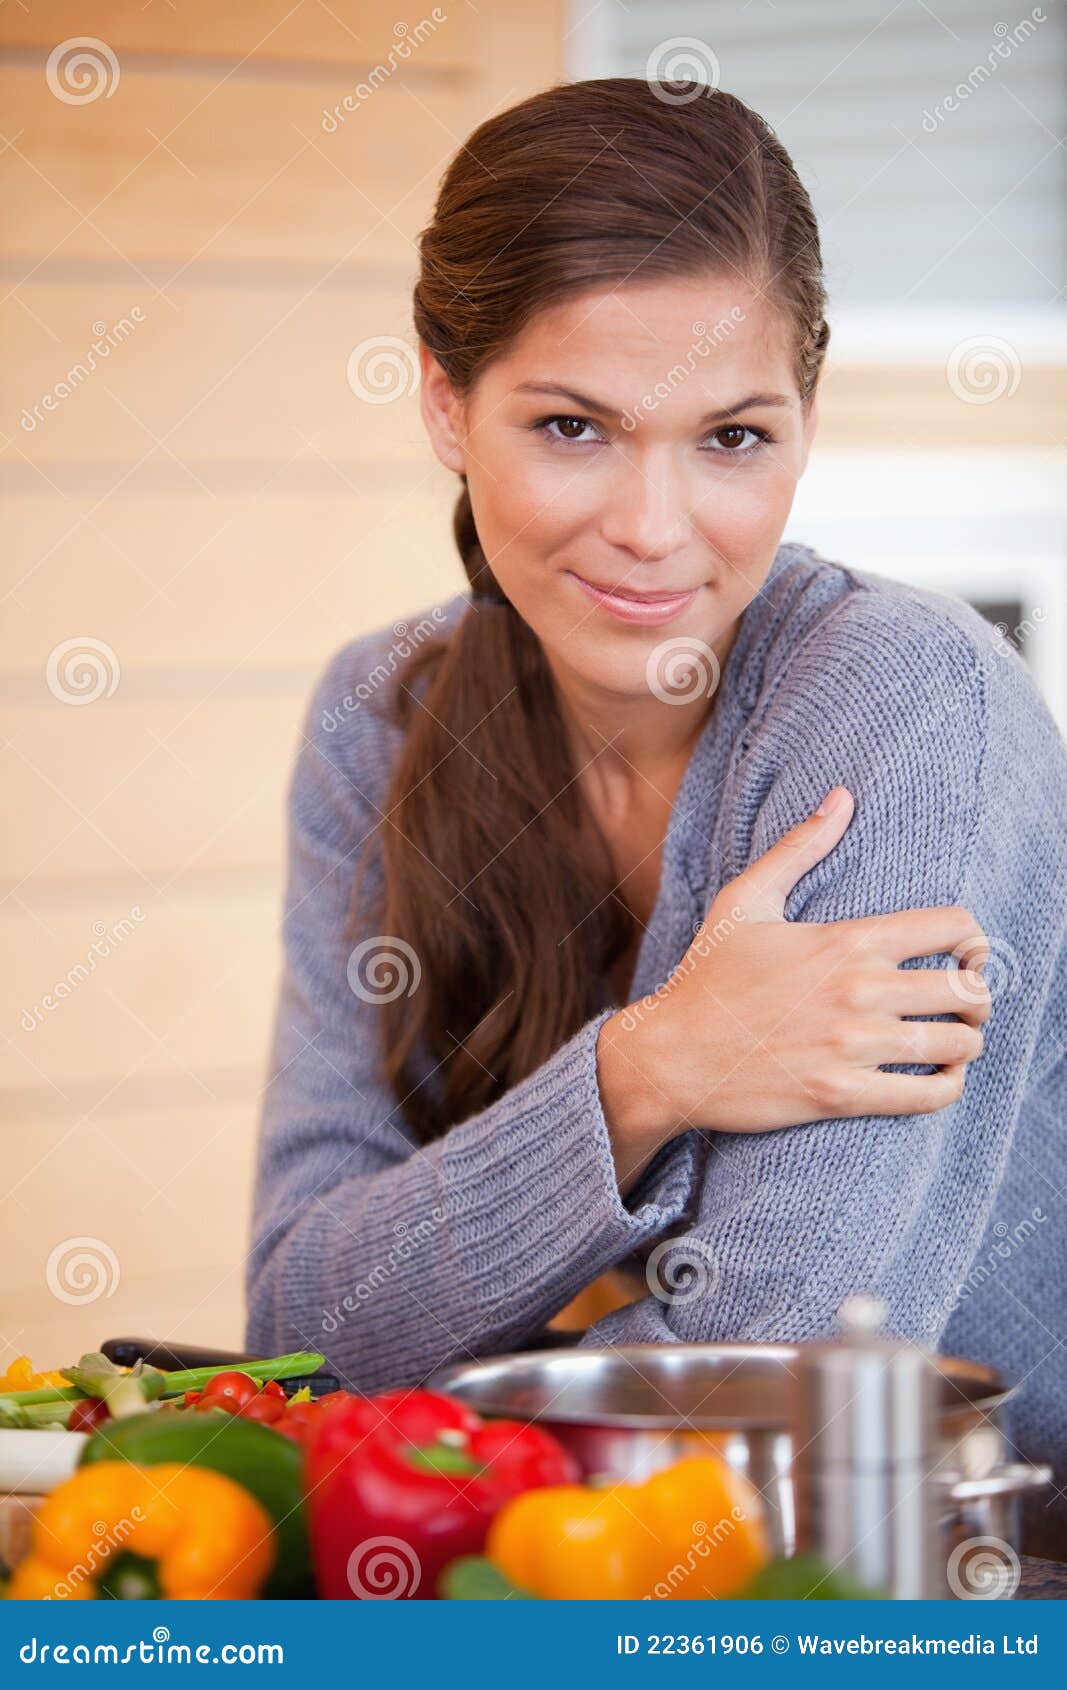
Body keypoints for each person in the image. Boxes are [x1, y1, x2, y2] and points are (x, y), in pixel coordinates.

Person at [246, 79, 1067, 1551]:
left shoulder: (912, 705)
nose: (652, 524)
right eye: (573, 426)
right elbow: (301, 1322)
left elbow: (763, 1382)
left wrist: (447, 1343)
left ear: (807, 420)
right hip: (582, 1582)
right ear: (445, 399)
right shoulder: (379, 715)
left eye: (732, 438)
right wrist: (646, 1070)